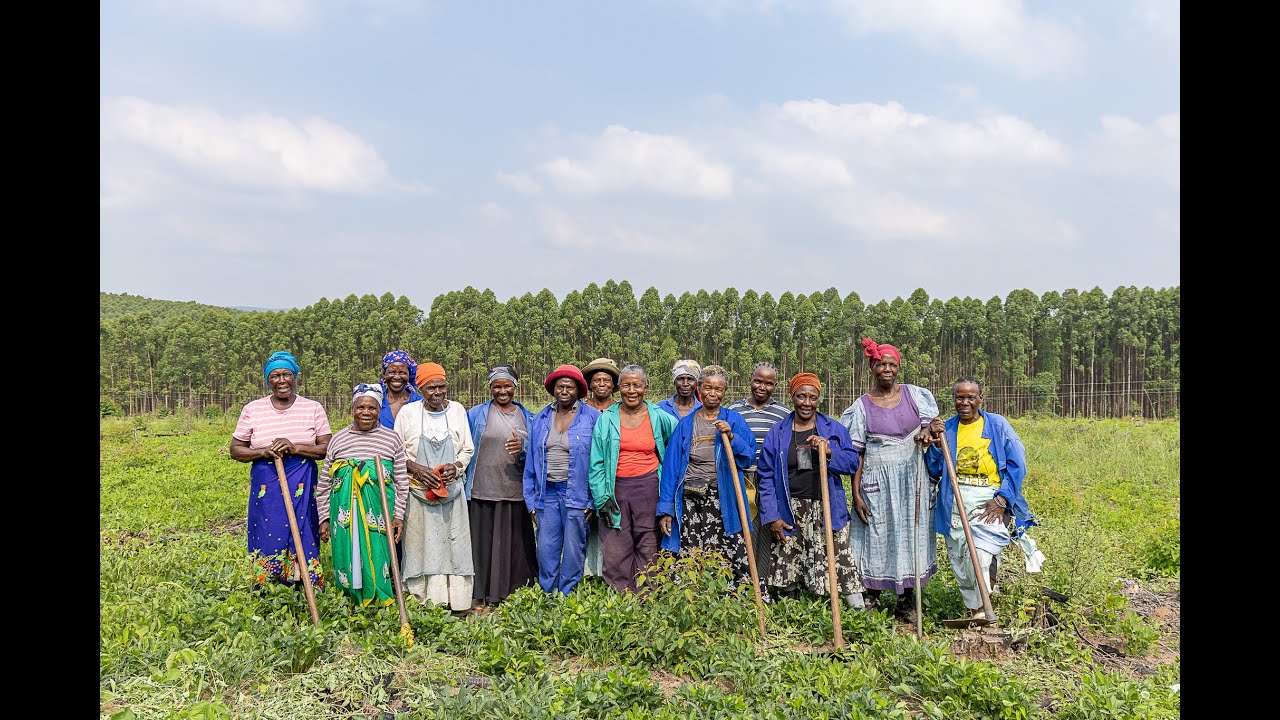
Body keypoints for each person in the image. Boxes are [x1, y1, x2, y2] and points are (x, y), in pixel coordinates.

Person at [924, 376, 1046, 621]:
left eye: (971, 397)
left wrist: (1003, 499)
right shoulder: (947, 428)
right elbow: (934, 470)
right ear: (954, 399)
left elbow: (1017, 464)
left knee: (980, 551)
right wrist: (936, 446)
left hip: (990, 498)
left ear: (981, 399)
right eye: (960, 397)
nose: (965, 402)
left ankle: (983, 608)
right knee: (959, 555)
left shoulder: (997, 425)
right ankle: (974, 609)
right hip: (955, 498)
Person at [839, 338, 940, 618]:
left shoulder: (915, 395)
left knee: (910, 534)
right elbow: (856, 452)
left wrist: (927, 432)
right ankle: (871, 595)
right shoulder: (861, 407)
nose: (887, 369)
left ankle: (906, 601)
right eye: (881, 364)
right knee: (875, 534)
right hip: (876, 482)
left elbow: (932, 426)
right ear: (872, 368)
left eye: (892, 365)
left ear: (898, 368)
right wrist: (856, 493)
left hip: (913, 478)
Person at [757, 373, 865, 609]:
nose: (807, 403)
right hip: (790, 504)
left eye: (812, 397)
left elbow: (851, 463)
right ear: (792, 397)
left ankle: (856, 606)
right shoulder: (778, 432)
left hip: (824, 504)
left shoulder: (832, 429)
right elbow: (765, 475)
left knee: (838, 553)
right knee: (790, 552)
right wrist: (772, 515)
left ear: (819, 399)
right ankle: (791, 605)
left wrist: (828, 453)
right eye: (801, 397)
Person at [230, 350, 332, 589]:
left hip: (302, 479)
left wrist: (295, 447)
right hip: (267, 479)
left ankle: (303, 581)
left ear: (295, 377)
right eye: (275, 376)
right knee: (268, 526)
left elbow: (326, 448)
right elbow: (236, 449)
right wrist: (264, 452)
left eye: (287, 374)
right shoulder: (253, 409)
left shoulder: (313, 408)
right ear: (268, 380)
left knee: (304, 525)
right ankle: (269, 584)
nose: (281, 380)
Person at [656, 365, 756, 585]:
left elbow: (748, 456)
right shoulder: (685, 424)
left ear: (724, 392)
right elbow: (671, 470)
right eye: (708, 388)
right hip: (691, 499)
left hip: (724, 497)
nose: (713, 393)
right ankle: (696, 594)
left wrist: (731, 436)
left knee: (731, 546)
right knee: (692, 548)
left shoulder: (734, 419)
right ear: (700, 389)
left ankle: (734, 593)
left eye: (719, 389)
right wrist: (666, 509)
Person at [316, 383, 409, 606]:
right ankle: (350, 599)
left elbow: (401, 481)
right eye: (360, 407)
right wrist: (324, 518)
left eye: (372, 408)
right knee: (346, 553)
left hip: (378, 511)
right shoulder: (338, 440)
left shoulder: (391, 439)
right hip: (345, 511)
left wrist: (398, 516)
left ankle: (379, 597)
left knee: (378, 553)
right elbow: (325, 482)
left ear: (379, 410)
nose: (366, 412)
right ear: (352, 410)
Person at [588, 364, 679, 593]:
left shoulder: (659, 416)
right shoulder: (607, 419)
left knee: (648, 542)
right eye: (626, 385)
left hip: (649, 487)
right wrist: (601, 498)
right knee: (616, 544)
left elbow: (677, 441)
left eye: (637, 385)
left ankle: (646, 592)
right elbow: (596, 461)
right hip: (615, 488)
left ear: (645, 387)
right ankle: (621, 593)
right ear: (618, 389)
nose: (631, 390)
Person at [393, 362, 475, 612]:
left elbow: (468, 449)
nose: (437, 392)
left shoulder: (458, 411)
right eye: (431, 388)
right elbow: (396, 453)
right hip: (418, 493)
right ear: (420, 389)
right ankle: (422, 600)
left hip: (452, 492)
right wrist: (417, 469)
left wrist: (456, 466)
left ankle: (456, 601)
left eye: (442, 387)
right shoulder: (408, 413)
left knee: (454, 545)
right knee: (420, 544)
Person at [524, 364, 600, 595]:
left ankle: (568, 594)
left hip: (577, 494)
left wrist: (593, 501)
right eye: (560, 386)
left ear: (578, 390)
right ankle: (548, 593)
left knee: (573, 548)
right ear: (553, 389)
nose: (564, 391)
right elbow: (531, 462)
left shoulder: (592, 418)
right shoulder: (541, 418)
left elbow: (600, 462)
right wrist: (530, 501)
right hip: (546, 493)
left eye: (569, 386)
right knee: (546, 547)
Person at [465, 364, 537, 607]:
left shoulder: (529, 418)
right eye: (497, 386)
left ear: (516, 387)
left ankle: (511, 593)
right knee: (482, 544)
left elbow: (538, 454)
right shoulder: (475, 414)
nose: (502, 390)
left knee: (513, 545)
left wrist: (524, 448)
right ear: (490, 388)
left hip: (515, 491)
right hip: (482, 489)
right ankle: (481, 593)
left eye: (507, 386)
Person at [725, 361, 790, 587]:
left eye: (769, 383)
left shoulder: (783, 413)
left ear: (775, 386)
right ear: (749, 381)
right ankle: (741, 579)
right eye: (758, 381)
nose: (762, 387)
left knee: (767, 527)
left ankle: (763, 580)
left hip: (770, 479)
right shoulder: (734, 411)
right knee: (744, 528)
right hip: (741, 476)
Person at [579, 357, 621, 578]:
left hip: (614, 473)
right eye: (597, 380)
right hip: (585, 471)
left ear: (614, 384)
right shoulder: (582, 409)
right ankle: (589, 571)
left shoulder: (620, 409)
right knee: (588, 523)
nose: (602, 384)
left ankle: (610, 570)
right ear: (590, 384)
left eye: (606, 380)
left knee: (611, 521)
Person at [378, 350, 422, 430]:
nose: (397, 377)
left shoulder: (420, 403)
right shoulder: (377, 401)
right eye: (392, 372)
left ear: (409, 375)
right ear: (384, 375)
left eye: (402, 373)